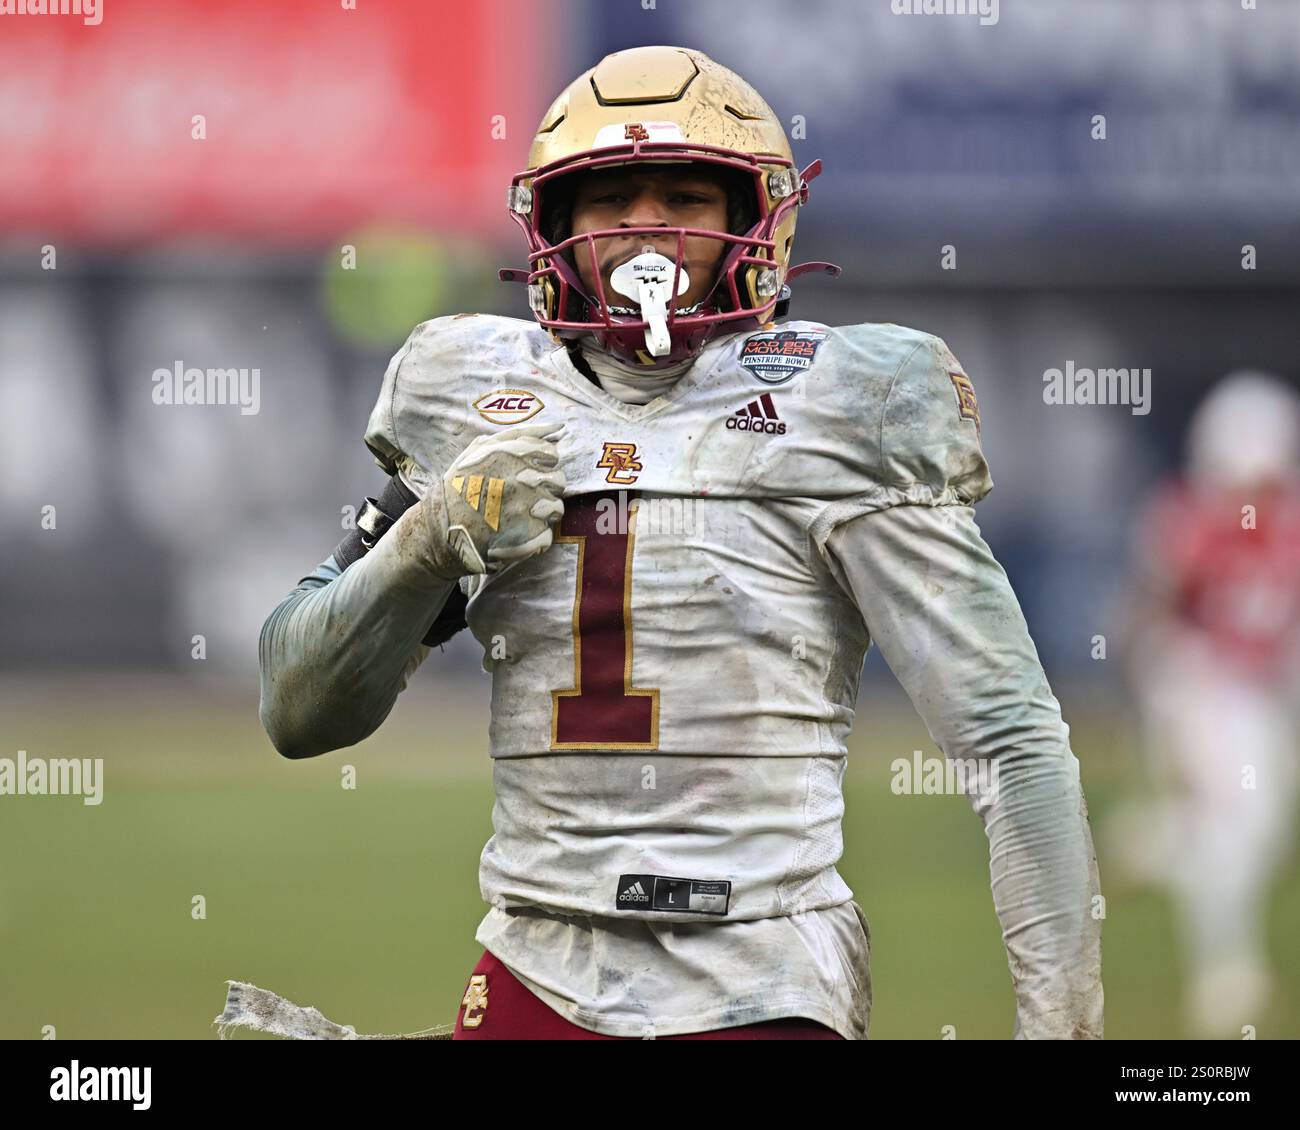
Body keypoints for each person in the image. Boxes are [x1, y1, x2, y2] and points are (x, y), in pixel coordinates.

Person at [258, 45, 1103, 1040]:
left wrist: (1062, 1026)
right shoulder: (473, 386)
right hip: (537, 959)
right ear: (557, 230)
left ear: (755, 224)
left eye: (684, 198)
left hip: (763, 970)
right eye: (613, 200)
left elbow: (1009, 737)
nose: (646, 231)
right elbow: (296, 704)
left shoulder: (845, 398)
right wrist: (426, 543)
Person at [1115, 371, 1300, 1037]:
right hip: (1199, 682)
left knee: (1264, 830)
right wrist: (1165, 704)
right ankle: (1227, 974)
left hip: (1260, 695)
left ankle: (1155, 842)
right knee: (1238, 824)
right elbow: (1149, 616)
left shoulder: (1287, 525)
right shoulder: (1189, 519)